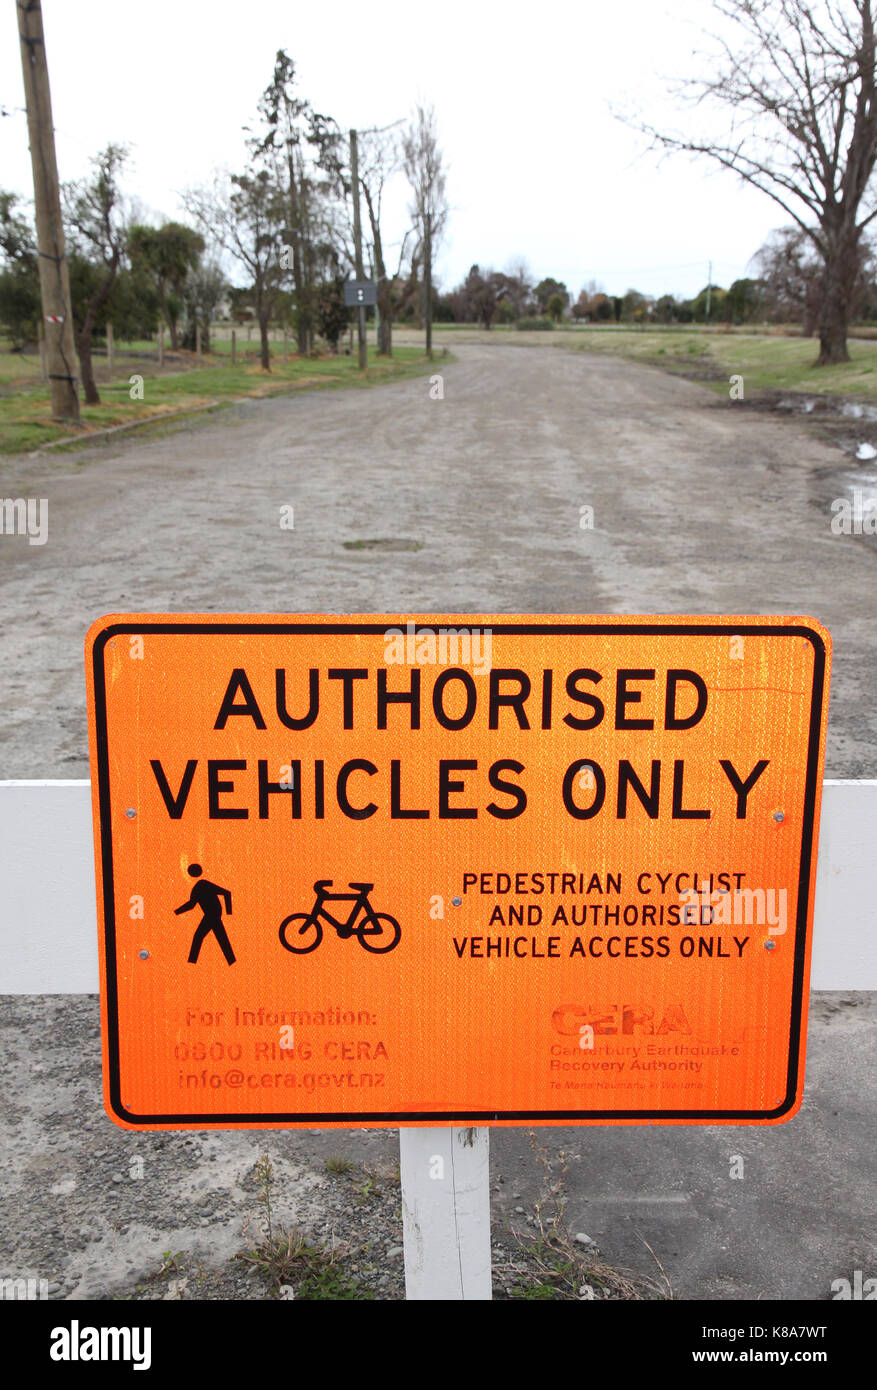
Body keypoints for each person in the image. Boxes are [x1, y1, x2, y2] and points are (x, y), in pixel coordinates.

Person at [174, 864, 235, 965]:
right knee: (221, 937)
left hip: (212, 914)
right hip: (212, 914)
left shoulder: (202, 884)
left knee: (199, 936)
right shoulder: (198, 887)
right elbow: (191, 905)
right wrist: (177, 912)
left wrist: (229, 913)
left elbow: (227, 893)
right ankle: (231, 960)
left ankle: (191, 962)